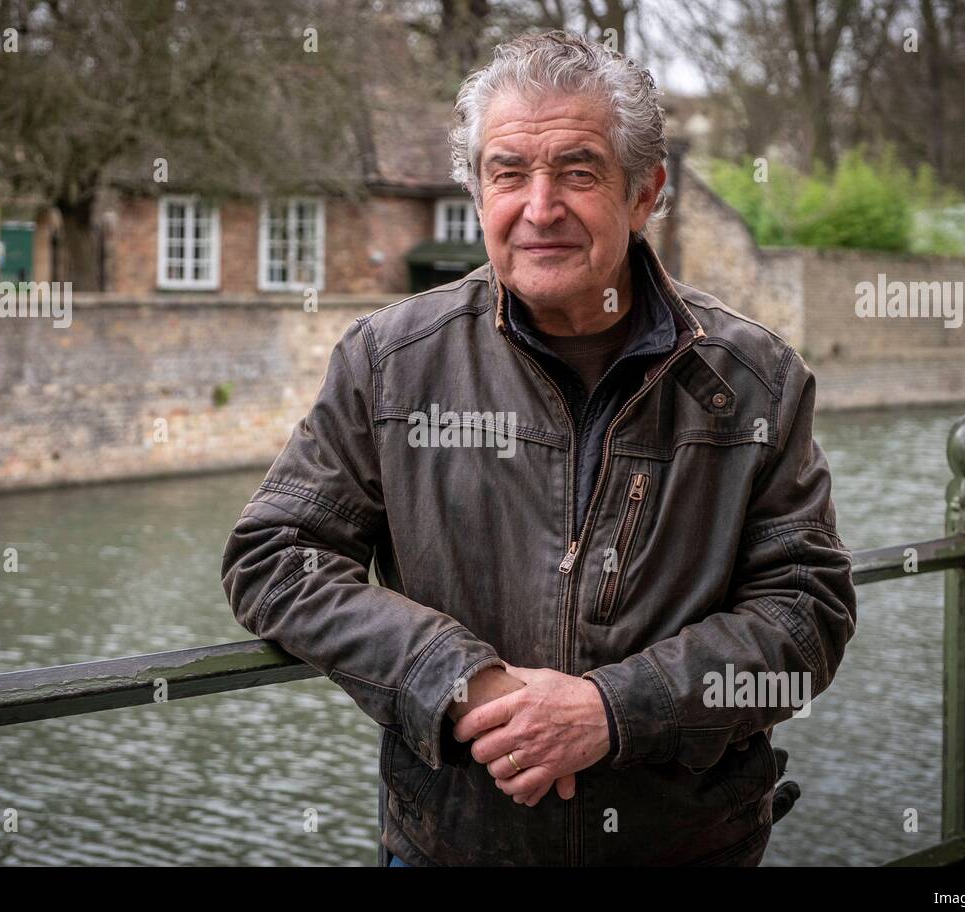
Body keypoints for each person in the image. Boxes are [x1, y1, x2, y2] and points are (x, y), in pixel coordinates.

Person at [221, 30, 857, 866]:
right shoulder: (390, 364)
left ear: (645, 193)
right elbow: (275, 555)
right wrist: (454, 678)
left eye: (579, 171)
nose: (540, 206)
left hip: (685, 848)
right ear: (479, 192)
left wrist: (614, 711)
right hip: (452, 844)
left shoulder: (755, 380)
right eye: (508, 172)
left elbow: (806, 614)